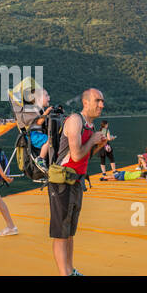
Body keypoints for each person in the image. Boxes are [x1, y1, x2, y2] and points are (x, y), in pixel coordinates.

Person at [48, 88, 108, 276]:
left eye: (102, 101)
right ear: (85, 102)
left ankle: (70, 270)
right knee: (60, 234)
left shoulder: (89, 126)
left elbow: (86, 156)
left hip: (76, 181)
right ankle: (64, 273)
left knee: (70, 231)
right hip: (62, 182)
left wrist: (98, 144)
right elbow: (76, 154)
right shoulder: (75, 121)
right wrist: (93, 142)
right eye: (98, 101)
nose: (101, 105)